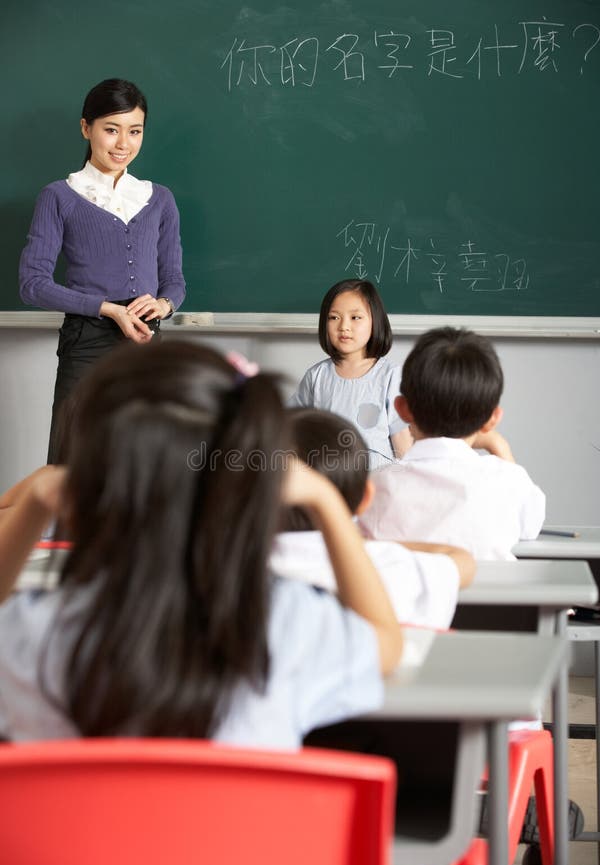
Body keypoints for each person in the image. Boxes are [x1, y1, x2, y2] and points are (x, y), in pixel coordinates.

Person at [0, 340, 403, 747]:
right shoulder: (289, 624)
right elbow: (385, 643)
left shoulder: (36, 632)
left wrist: (33, 505)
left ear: (91, 484)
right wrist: (326, 502)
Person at [19, 77, 186, 462]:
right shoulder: (59, 196)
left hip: (145, 340)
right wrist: (108, 309)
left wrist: (164, 305)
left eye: (135, 131)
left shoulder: (159, 199)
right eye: (111, 130)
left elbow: (174, 280)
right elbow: (32, 285)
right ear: (86, 128)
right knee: (71, 461)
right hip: (87, 339)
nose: (123, 143)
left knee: (143, 461)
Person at [271, 407, 475, 628]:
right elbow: (460, 561)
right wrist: (355, 543)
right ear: (364, 499)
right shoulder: (384, 564)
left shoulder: (235, 566)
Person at [359, 327, 546, 560]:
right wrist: (499, 445)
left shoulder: (375, 486)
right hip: (490, 596)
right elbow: (531, 526)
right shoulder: (508, 481)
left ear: (402, 409)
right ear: (492, 419)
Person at [289, 279, 412, 469]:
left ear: (375, 321)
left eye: (355, 317)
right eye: (334, 317)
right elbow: (294, 429)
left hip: (377, 482)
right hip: (328, 482)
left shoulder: (390, 376)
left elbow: (403, 445)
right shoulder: (317, 376)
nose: (344, 326)